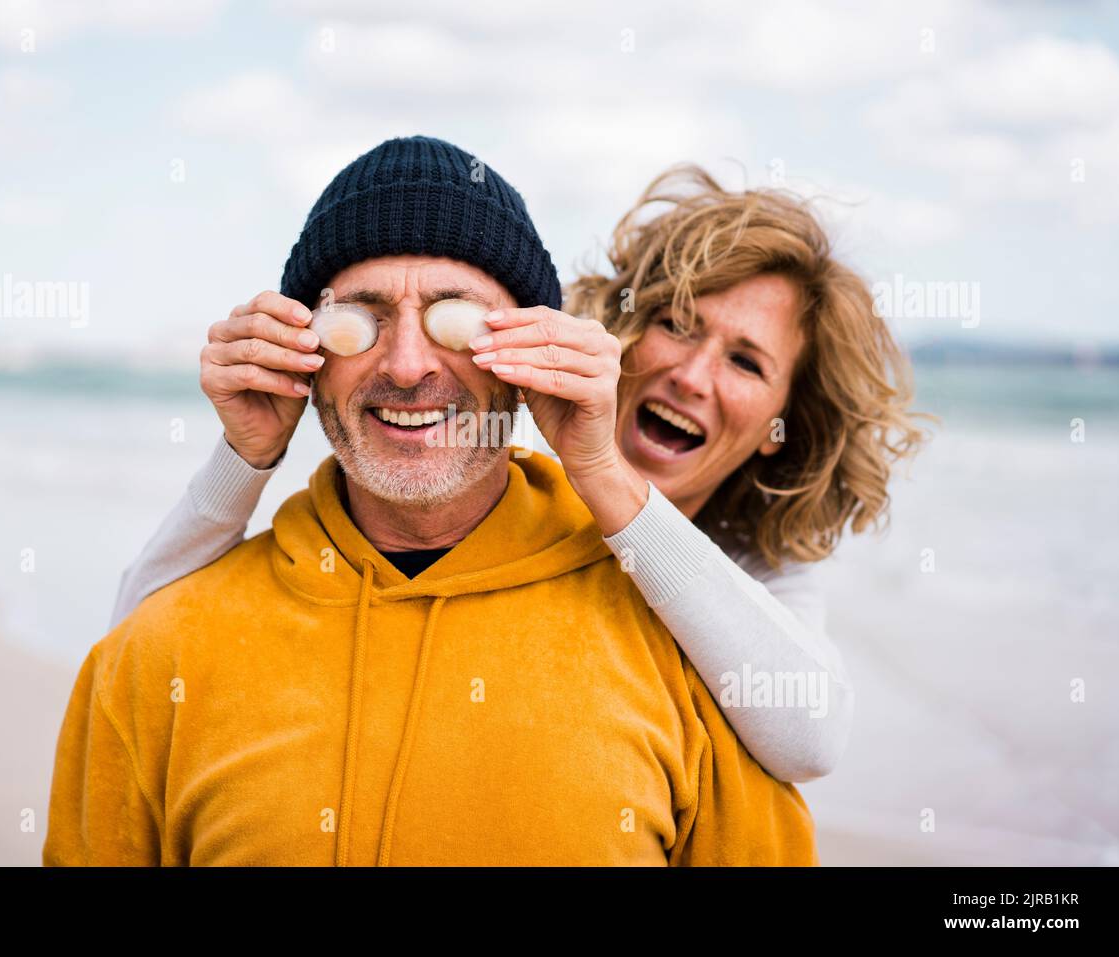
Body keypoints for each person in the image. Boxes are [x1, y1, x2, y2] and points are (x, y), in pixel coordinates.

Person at [43, 135, 818, 866]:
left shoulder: (700, 652)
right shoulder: (160, 653)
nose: (409, 365)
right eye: (361, 319)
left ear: (530, 356)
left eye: (457, 318)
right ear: (299, 353)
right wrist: (245, 454)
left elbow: (811, 732)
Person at [110, 162, 926, 784]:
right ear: (614, 329)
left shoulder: (761, 567)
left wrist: (605, 472)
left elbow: (809, 736)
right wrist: (246, 453)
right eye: (675, 325)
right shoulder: (495, 476)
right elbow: (134, 654)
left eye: (747, 362)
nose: (693, 376)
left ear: (785, 422)